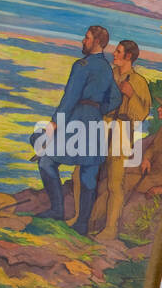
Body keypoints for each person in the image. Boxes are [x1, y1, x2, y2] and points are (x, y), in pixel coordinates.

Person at [37, 25, 122, 235]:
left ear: (97, 42)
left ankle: (57, 209)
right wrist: (99, 109)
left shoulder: (82, 65)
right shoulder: (106, 68)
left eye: (87, 38)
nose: (83, 41)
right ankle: (82, 224)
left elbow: (70, 97)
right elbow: (116, 98)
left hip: (76, 120)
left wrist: (55, 122)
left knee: (46, 161)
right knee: (89, 174)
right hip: (94, 123)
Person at [88, 38, 151, 240]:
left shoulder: (139, 82)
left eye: (119, 51)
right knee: (88, 174)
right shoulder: (109, 75)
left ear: (128, 56)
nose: (114, 54)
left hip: (122, 130)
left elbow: (141, 114)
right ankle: (87, 222)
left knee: (115, 183)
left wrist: (131, 95)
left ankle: (110, 228)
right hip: (103, 125)